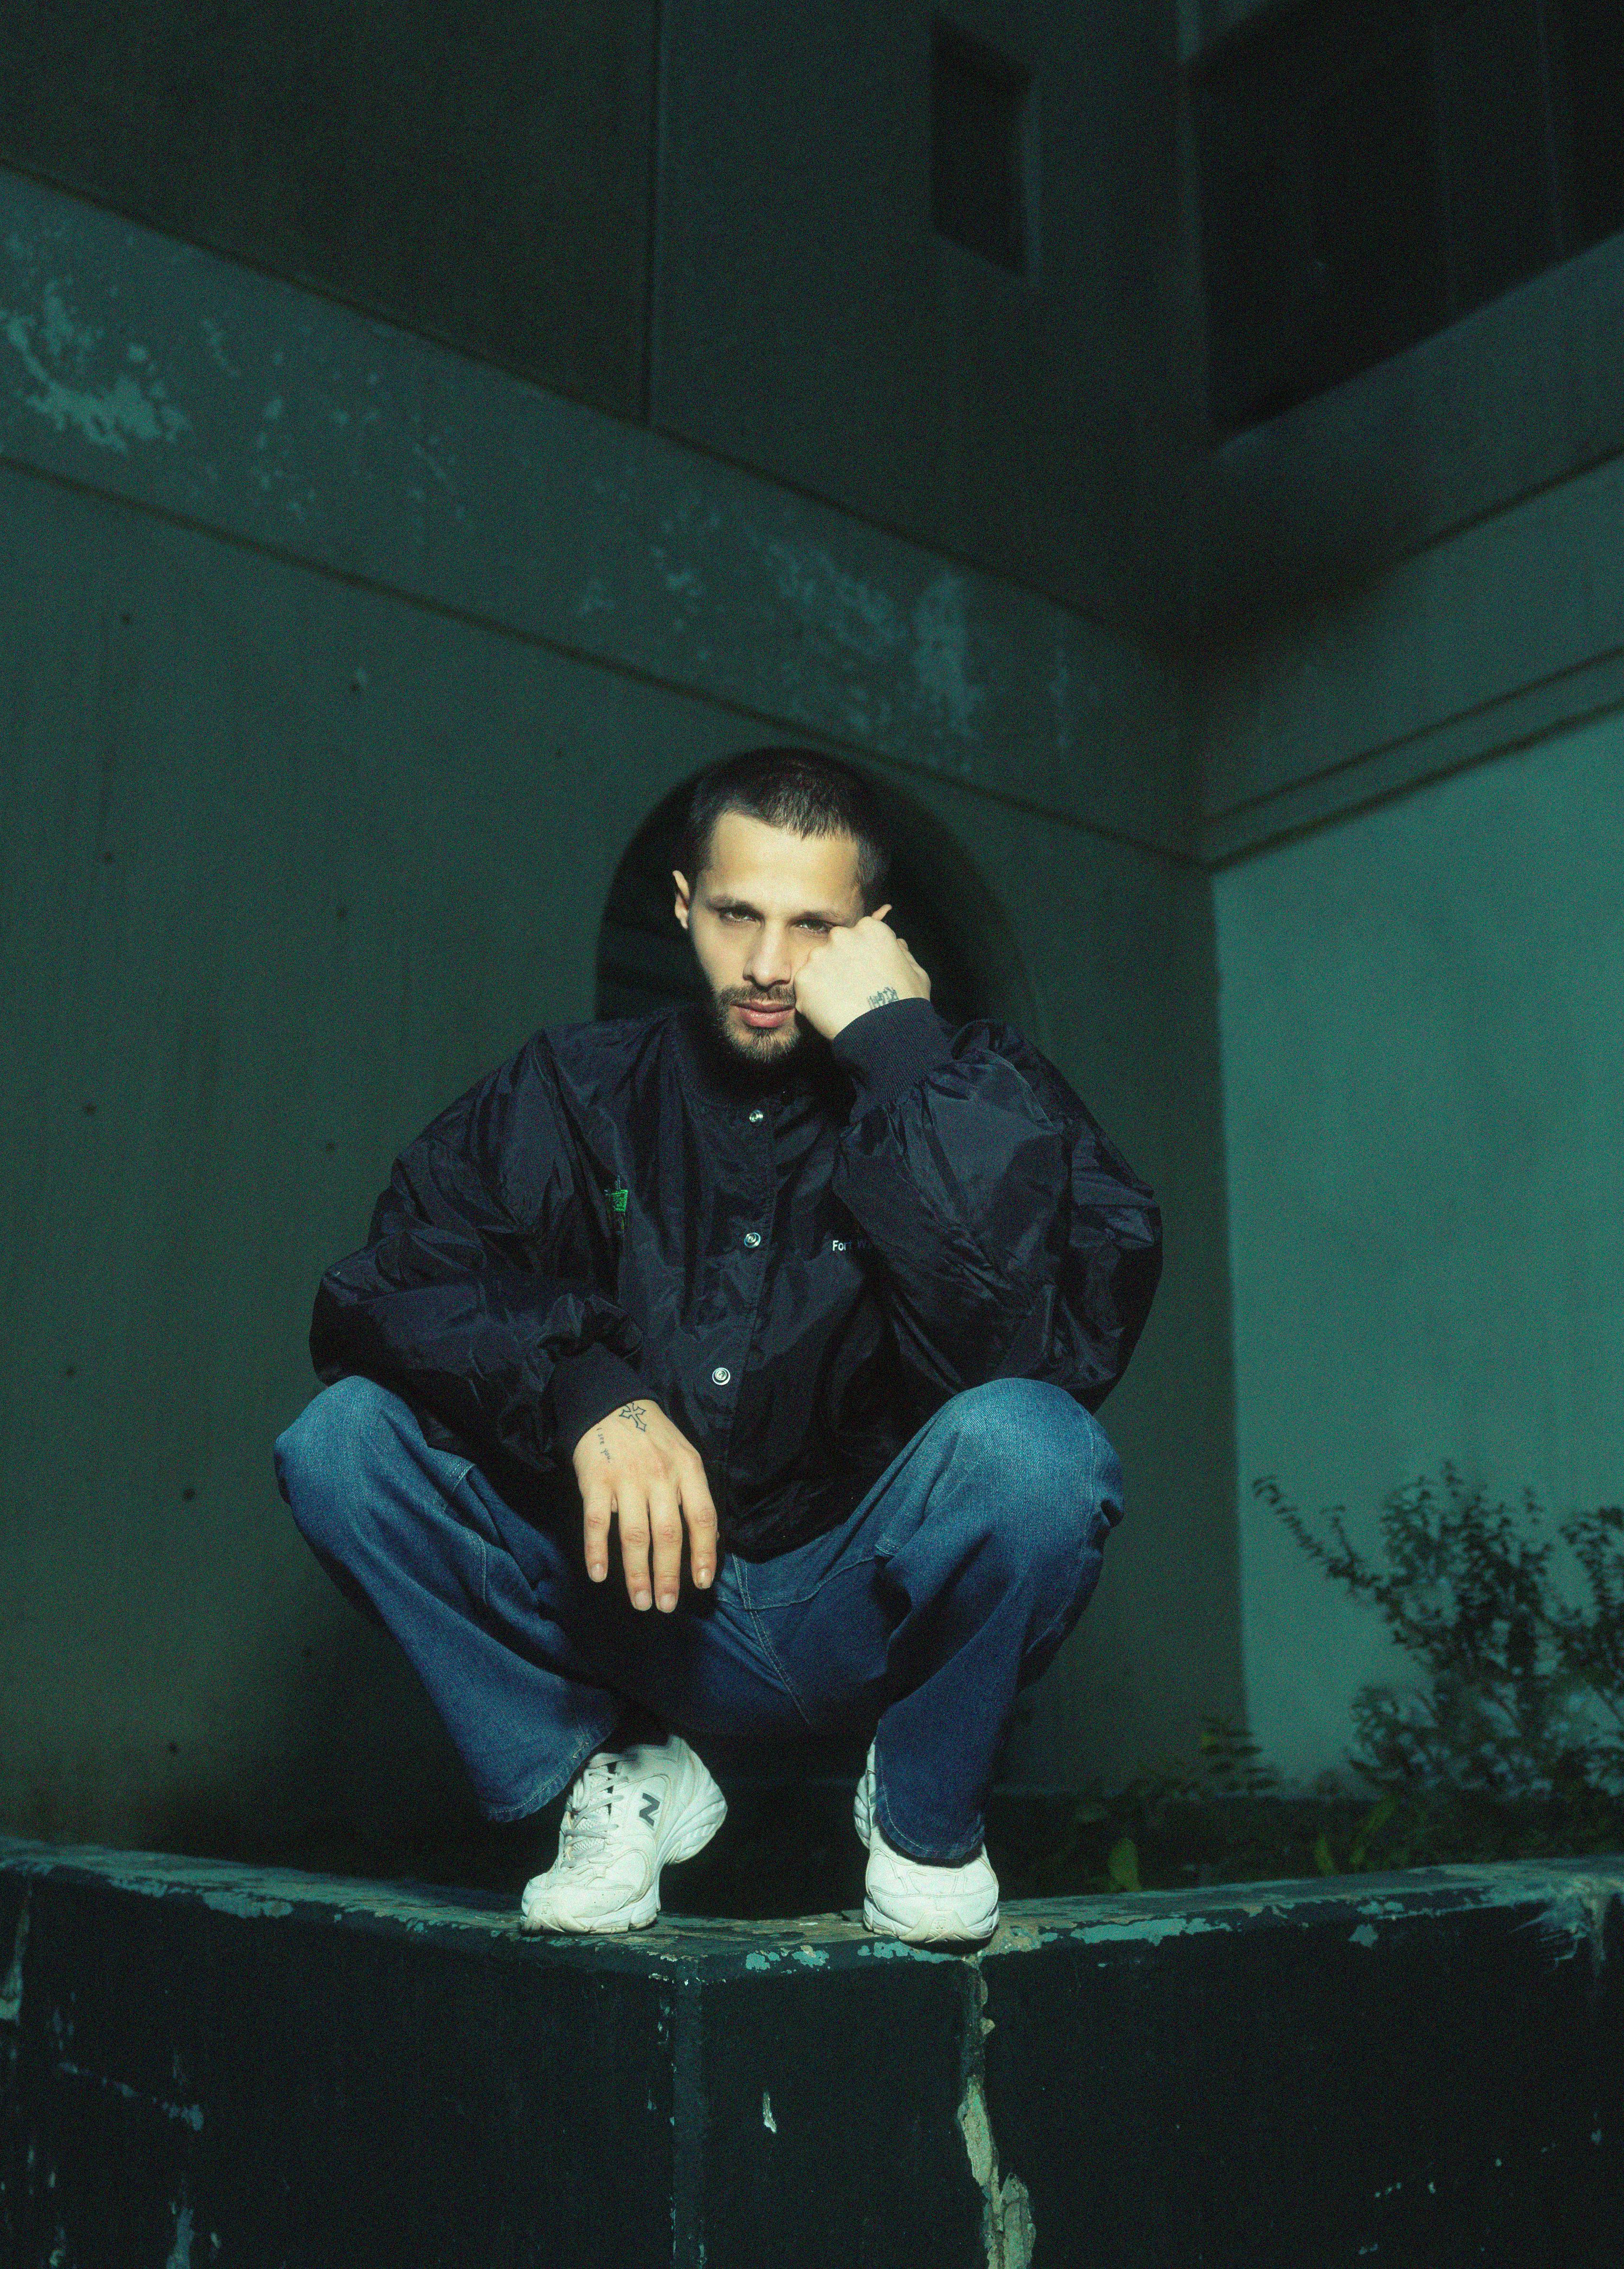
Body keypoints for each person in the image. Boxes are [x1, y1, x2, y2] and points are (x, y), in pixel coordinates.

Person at [274, 747, 1161, 1945]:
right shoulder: (572, 1090)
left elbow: (1028, 1345)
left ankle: (924, 1819)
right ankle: (618, 1770)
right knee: (342, 1444)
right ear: (684, 903)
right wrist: (586, 1387)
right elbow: (399, 1276)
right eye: (737, 913)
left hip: (856, 1597)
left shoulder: (974, 1085)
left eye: (813, 926)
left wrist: (899, 1050)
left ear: (875, 931)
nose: (766, 964)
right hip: (628, 1600)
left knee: (1036, 1448)